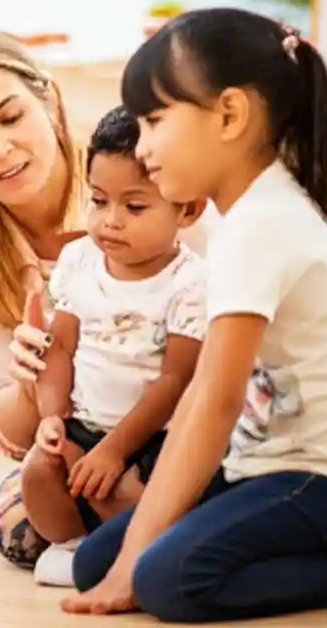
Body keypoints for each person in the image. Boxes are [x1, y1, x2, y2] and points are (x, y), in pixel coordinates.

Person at [60, 7, 327, 622]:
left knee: (167, 581)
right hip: (267, 467)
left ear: (229, 115)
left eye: (154, 121)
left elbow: (212, 399)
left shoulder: (263, 223)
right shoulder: (246, 216)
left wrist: (137, 565)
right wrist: (126, 559)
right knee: (95, 563)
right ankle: (156, 560)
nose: (142, 149)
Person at [0, 22, 210, 570]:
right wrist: (28, 387)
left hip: (186, 420)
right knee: (15, 526)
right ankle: (148, 531)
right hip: (80, 430)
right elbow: (4, 427)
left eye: (10, 117)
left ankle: (158, 527)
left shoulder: (142, 176)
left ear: (47, 99)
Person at [21, 106, 207, 587]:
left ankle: (132, 546)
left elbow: (175, 380)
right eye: (99, 201)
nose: (110, 222)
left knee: (120, 490)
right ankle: (72, 546)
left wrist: (113, 450)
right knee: (39, 472)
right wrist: (51, 417)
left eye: (135, 206)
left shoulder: (190, 283)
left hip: (150, 438)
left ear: (187, 209)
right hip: (84, 422)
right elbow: (59, 346)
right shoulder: (78, 260)